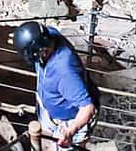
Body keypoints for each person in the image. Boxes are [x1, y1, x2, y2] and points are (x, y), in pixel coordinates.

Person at [12, 21, 99, 149]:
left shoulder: (64, 72)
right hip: (49, 110)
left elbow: (87, 108)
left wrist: (70, 132)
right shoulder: (49, 35)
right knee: (42, 139)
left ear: (43, 52)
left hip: (68, 120)